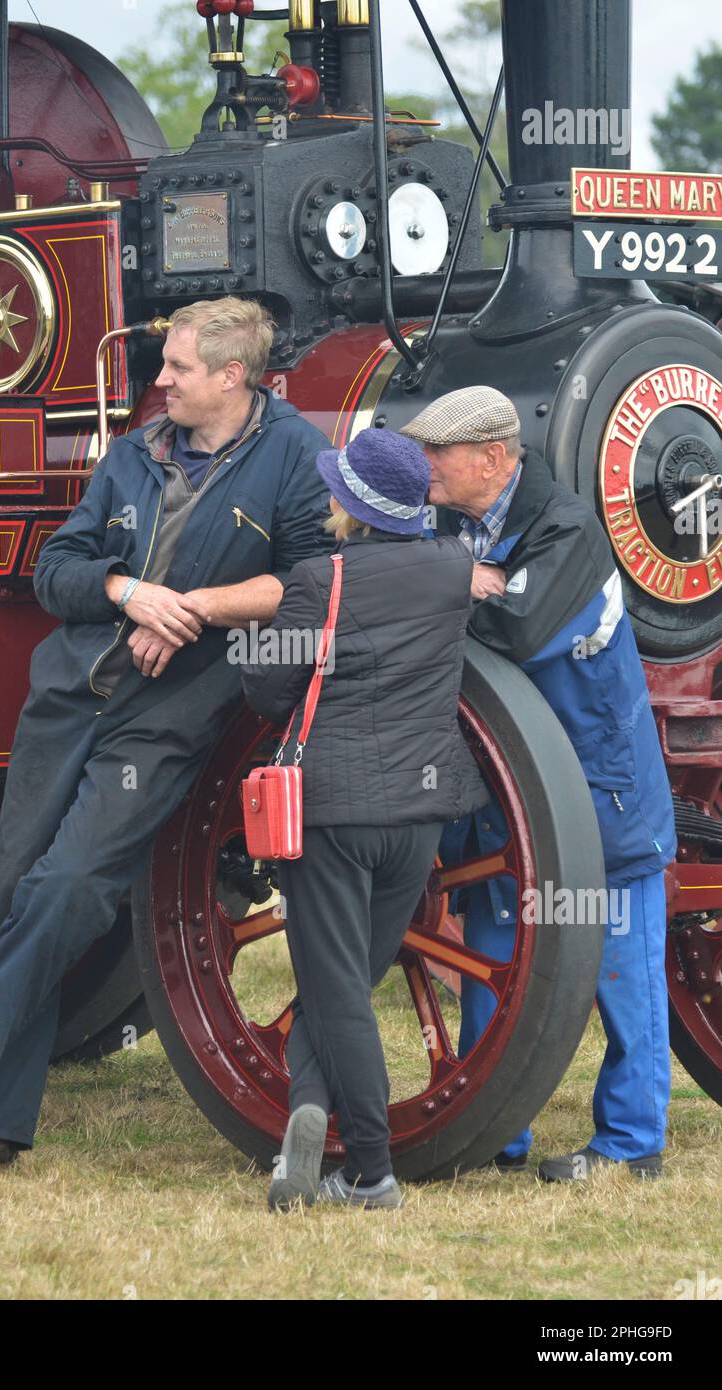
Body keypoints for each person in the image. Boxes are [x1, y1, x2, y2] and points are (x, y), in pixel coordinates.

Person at [0, 296, 332, 1167]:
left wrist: (192, 609)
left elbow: (311, 583)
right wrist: (125, 593)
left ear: (231, 377)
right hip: (69, 697)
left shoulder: (295, 454)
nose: (160, 380)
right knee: (19, 886)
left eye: (176, 367)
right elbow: (56, 568)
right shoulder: (136, 449)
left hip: (169, 714)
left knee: (71, 888)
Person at [401, 385, 676, 1182]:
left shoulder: (569, 531)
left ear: (491, 458)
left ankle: (629, 1145)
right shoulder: (450, 523)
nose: (425, 468)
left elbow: (514, 633)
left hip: (596, 792)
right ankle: (494, 1137)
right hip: (501, 793)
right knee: (492, 963)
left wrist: (456, 586)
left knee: (622, 971)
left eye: (436, 454)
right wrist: (470, 578)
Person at [240, 428, 488, 1210]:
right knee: (340, 979)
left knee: (338, 988)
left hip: (331, 816)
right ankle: (308, 1113)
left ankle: (374, 1173)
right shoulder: (454, 569)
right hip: (420, 816)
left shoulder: (318, 579)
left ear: (352, 507)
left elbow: (266, 687)